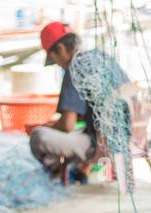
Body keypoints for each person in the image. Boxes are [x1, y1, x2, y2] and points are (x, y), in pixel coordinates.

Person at [30, 22, 130, 182]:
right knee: (85, 127)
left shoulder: (74, 67)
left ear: (61, 49)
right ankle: (82, 169)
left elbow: (68, 125)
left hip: (101, 144)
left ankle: (56, 174)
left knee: (38, 136)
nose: (58, 65)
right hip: (131, 136)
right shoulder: (103, 57)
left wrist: (47, 126)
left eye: (55, 59)